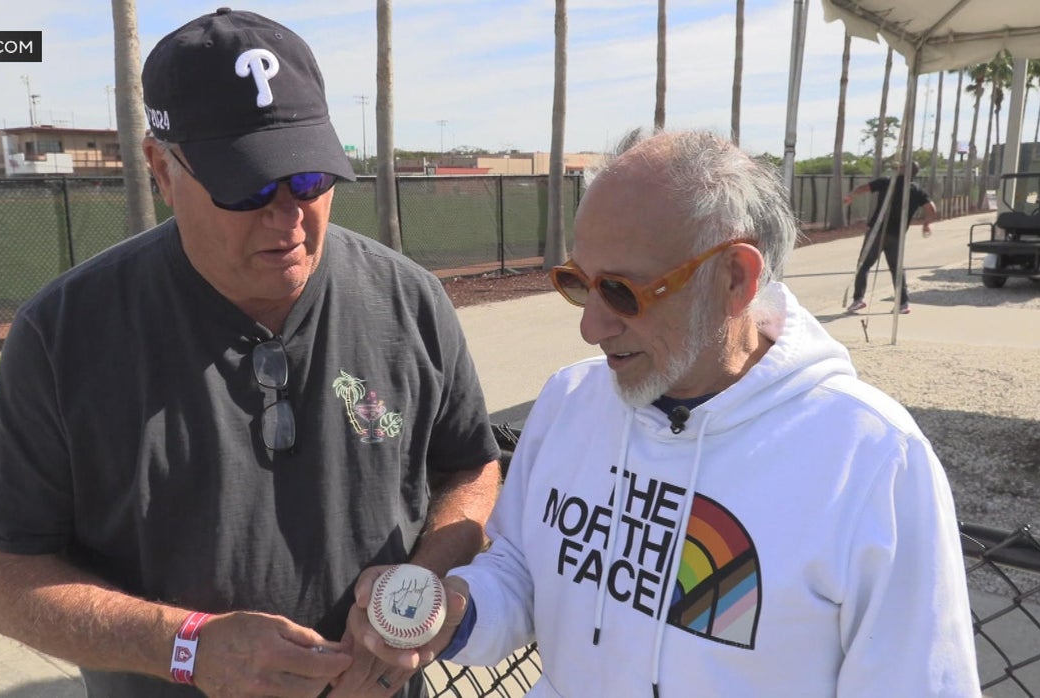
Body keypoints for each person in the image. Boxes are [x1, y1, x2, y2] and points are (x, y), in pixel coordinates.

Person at [0, 9, 501, 698]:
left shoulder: (411, 302)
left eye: (309, 178)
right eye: (246, 185)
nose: (289, 215)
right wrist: (182, 648)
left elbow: (472, 468)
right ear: (162, 168)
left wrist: (417, 587)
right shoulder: (64, 336)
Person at [348, 130, 981, 697]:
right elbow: (521, 567)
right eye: (578, 283)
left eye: (623, 291)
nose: (592, 327)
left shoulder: (872, 459)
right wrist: (458, 608)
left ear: (735, 277)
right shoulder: (571, 401)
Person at [843, 162, 937, 314]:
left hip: (877, 232)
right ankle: (903, 303)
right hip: (897, 234)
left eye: (901, 166)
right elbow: (931, 208)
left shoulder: (887, 182)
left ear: (904, 170)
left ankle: (858, 300)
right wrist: (926, 224)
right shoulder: (916, 190)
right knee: (897, 269)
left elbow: (863, 188)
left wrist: (850, 196)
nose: (898, 167)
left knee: (864, 265)